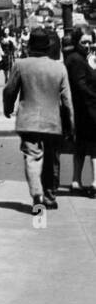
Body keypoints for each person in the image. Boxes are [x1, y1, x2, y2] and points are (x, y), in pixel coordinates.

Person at [3, 29, 72, 216]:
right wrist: (70, 125)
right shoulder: (59, 68)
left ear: (29, 45)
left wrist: (7, 108)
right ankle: (50, 196)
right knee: (51, 160)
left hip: (28, 121)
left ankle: (37, 196)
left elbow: (10, 90)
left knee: (32, 159)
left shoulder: (21, 64)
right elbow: (67, 101)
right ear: (49, 47)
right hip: (53, 122)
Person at [64, 27, 96, 197]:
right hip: (86, 108)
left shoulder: (80, 58)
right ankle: (93, 182)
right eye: (84, 42)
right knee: (93, 147)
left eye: (90, 41)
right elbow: (80, 85)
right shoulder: (77, 60)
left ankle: (76, 181)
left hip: (82, 109)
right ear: (76, 42)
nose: (88, 45)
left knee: (81, 148)